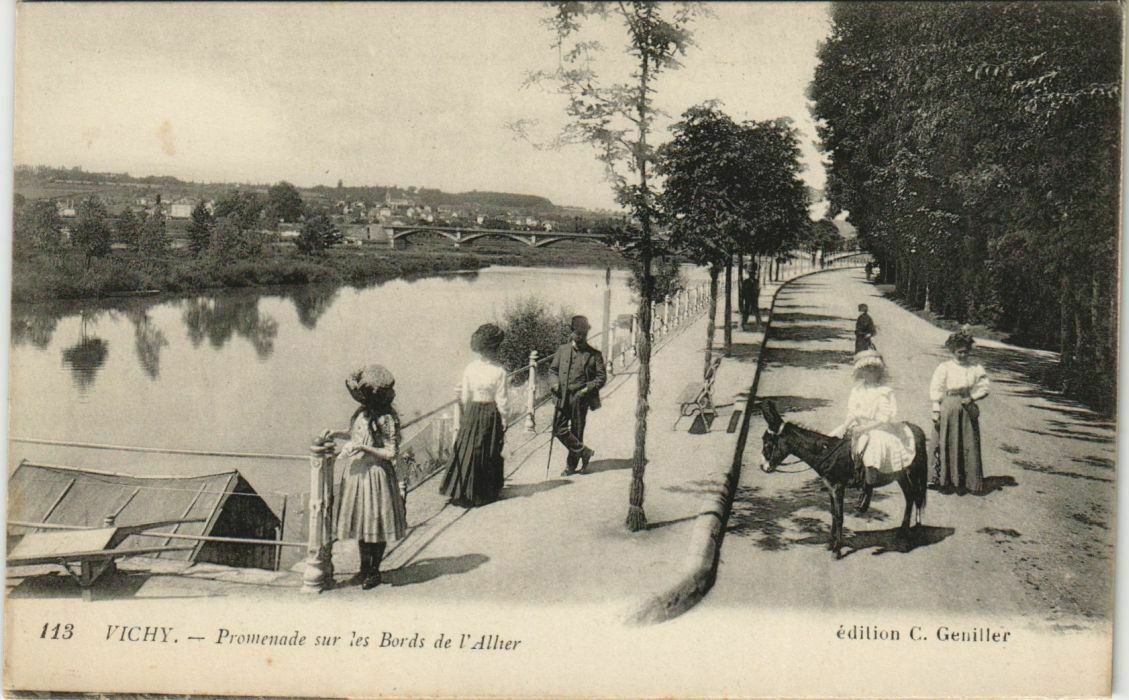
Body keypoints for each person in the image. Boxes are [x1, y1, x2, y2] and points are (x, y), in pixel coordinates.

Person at [323, 365, 407, 589]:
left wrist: (364, 448)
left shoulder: (387, 419)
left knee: (375, 524)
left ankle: (374, 571)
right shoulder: (362, 413)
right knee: (362, 522)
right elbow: (355, 434)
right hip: (358, 475)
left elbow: (391, 452)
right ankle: (364, 568)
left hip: (376, 476)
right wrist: (336, 433)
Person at [441, 323, 508, 507]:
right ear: (494, 348)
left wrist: (465, 410)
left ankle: (462, 490)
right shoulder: (500, 371)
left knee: (468, 448)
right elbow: (502, 399)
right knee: (486, 450)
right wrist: (504, 420)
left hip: (473, 411)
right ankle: (482, 491)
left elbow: (465, 396)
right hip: (490, 413)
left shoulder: (470, 368)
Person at [830, 350, 915, 490]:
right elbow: (852, 411)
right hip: (858, 424)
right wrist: (846, 425)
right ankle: (840, 476)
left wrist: (864, 428)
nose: (870, 373)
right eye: (866, 369)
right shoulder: (857, 390)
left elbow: (884, 418)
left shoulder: (884, 391)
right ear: (861, 371)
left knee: (870, 448)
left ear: (879, 371)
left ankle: (867, 485)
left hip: (877, 428)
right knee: (833, 440)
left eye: (874, 369)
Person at [929, 327, 990, 494]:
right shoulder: (945, 367)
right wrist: (936, 409)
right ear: (953, 351)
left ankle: (967, 481)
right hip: (949, 406)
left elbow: (985, 387)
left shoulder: (975, 367)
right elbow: (936, 388)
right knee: (947, 440)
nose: (962, 355)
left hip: (967, 407)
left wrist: (972, 397)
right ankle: (945, 479)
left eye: (965, 352)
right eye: (959, 352)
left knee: (968, 442)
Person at [550, 315, 606, 476]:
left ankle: (571, 466)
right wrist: (554, 384)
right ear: (572, 332)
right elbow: (552, 371)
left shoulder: (594, 354)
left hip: (581, 397)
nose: (581, 336)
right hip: (562, 396)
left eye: (584, 333)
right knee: (558, 428)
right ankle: (584, 452)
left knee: (577, 430)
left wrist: (587, 389)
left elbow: (601, 378)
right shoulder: (562, 350)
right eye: (578, 333)